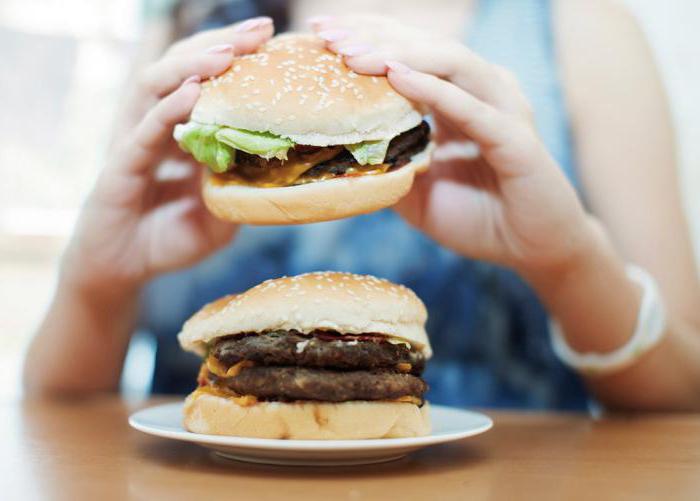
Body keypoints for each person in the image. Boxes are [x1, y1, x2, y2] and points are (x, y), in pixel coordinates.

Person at [24, 0, 700, 411]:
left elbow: (683, 395)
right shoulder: (192, 39)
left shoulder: (584, 33)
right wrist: (98, 278)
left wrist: (566, 258)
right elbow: (55, 417)